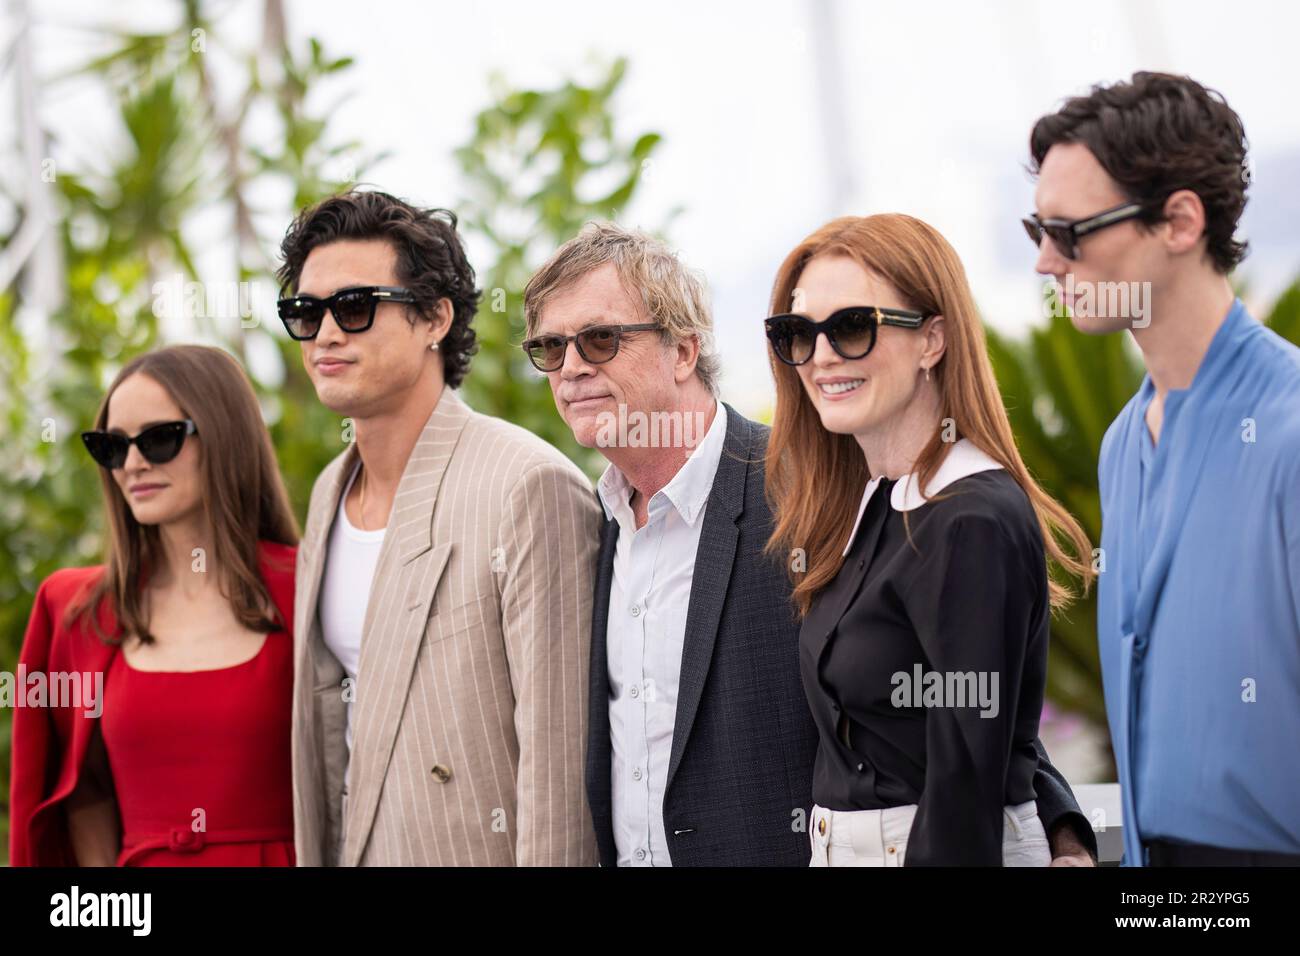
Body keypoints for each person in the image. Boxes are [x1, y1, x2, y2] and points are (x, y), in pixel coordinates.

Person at [523, 221, 1097, 865]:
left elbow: (968, 688)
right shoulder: (589, 525)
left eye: (599, 340)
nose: (571, 368)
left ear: (684, 350)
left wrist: (1055, 824)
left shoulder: (817, 490)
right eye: (550, 348)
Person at [764, 212, 1097, 866]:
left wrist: (1063, 830)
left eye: (853, 327)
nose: (822, 354)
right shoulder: (870, 503)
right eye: (797, 332)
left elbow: (965, 780)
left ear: (932, 341)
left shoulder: (970, 519)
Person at [280, 189, 599, 866]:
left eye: (356, 307)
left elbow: (559, 767)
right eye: (305, 313)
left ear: (433, 318)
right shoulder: (327, 493)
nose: (327, 334)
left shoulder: (525, 485)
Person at [1028, 71, 1300, 866]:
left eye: (1071, 232)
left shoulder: (1289, 429)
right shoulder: (1121, 443)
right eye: (1036, 230)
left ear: (1180, 221)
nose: (1047, 263)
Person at [9, 345, 299, 866]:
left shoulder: (312, 587)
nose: (133, 464)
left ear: (223, 435)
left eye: (159, 439)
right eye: (112, 446)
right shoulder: (75, 611)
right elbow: (82, 789)